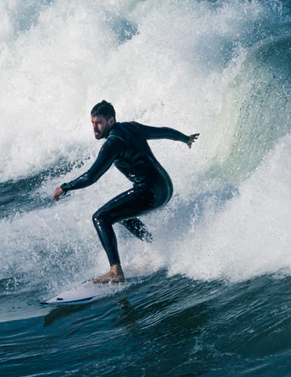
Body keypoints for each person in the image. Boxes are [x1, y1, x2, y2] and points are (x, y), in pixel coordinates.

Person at [53, 100, 198, 283]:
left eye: (99, 123)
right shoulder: (131, 127)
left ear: (111, 120)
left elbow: (91, 177)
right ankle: (156, 245)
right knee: (119, 214)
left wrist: (64, 187)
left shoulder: (114, 142)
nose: (95, 128)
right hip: (165, 187)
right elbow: (162, 132)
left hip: (150, 192)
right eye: (92, 123)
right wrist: (185, 138)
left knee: (100, 217)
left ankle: (115, 271)